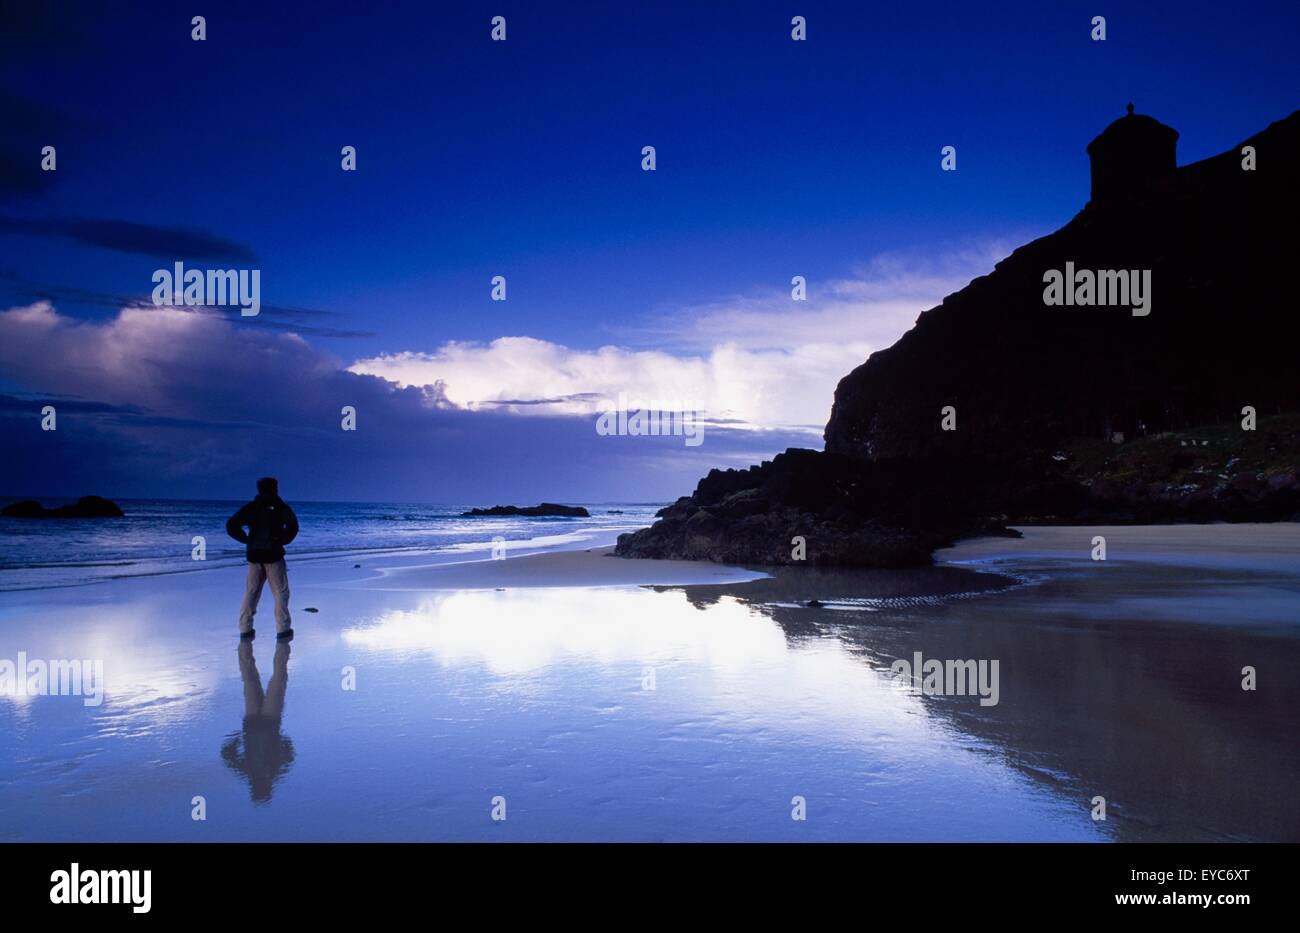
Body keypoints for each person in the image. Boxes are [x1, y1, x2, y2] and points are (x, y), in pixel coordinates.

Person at [226, 477, 299, 640]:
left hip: (254, 555)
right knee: (281, 592)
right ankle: (283, 628)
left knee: (251, 592)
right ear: (274, 489)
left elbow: (231, 525)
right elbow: (293, 525)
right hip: (273, 554)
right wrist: (282, 540)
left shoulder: (252, 507)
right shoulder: (280, 506)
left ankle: (245, 627)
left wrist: (246, 539)